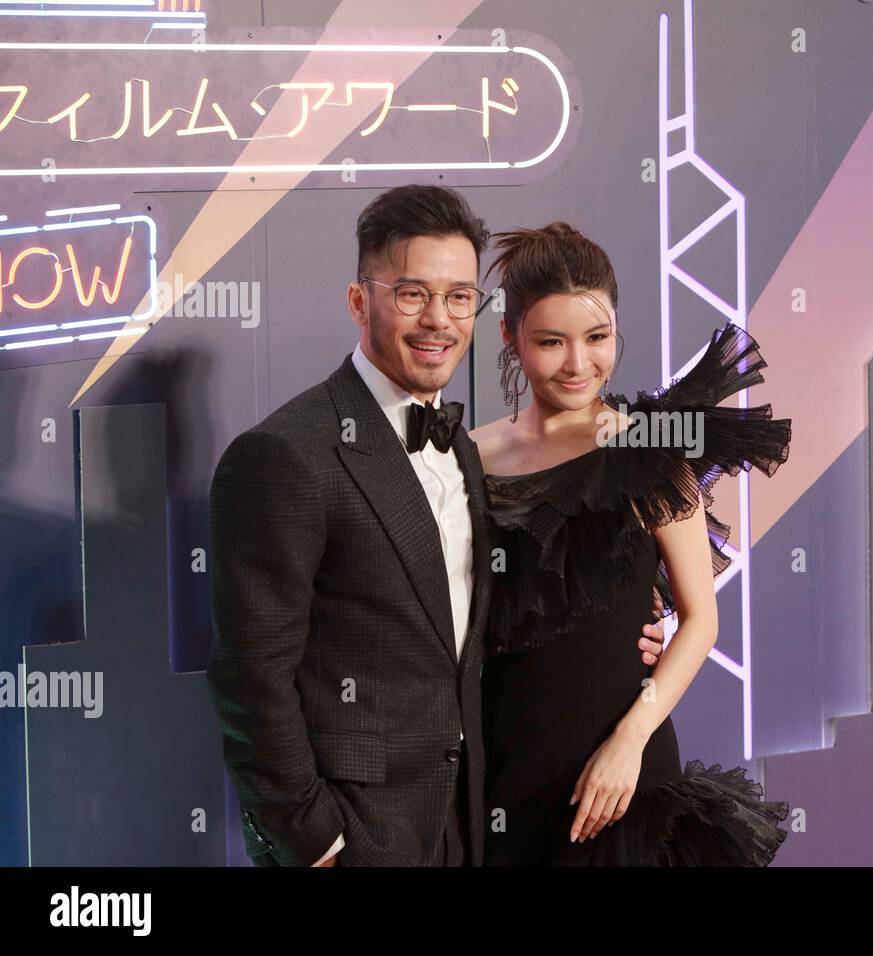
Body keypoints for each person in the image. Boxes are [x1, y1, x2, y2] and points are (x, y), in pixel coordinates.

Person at [205, 186, 665, 867]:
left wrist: (625, 617)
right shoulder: (286, 454)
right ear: (360, 302)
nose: (438, 320)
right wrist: (313, 840)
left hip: (475, 820)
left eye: (457, 297)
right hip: (358, 835)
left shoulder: (466, 451)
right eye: (412, 294)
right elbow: (250, 675)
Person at [469, 222, 792, 865]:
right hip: (503, 775)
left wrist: (630, 740)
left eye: (597, 338)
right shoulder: (470, 459)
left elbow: (700, 621)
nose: (578, 363)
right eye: (551, 342)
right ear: (510, 337)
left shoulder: (649, 450)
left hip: (625, 779)